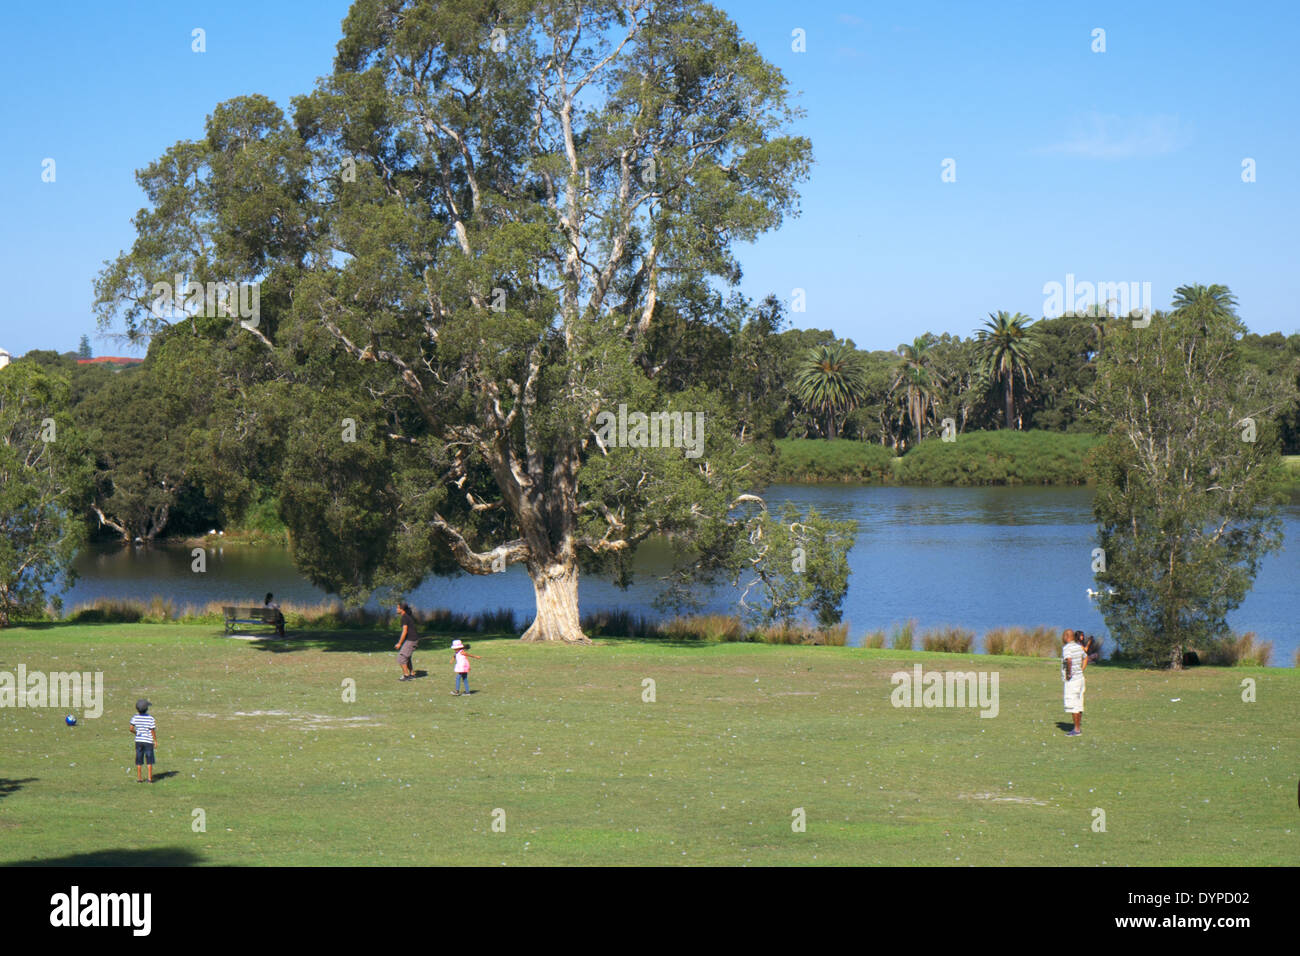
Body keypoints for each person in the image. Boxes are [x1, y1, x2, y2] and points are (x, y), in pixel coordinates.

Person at [1061, 629, 1087, 736]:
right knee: (1079, 703)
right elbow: (1085, 657)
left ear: (1067, 637)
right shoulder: (1078, 647)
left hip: (1073, 680)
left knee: (1073, 704)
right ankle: (1077, 727)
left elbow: (1069, 660)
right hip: (1080, 678)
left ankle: (1076, 730)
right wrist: (1081, 669)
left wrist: (1068, 674)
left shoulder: (1067, 648)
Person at [129, 699, 157, 783]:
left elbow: (131, 729)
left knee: (139, 759)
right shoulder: (150, 718)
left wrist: (136, 733)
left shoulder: (135, 717)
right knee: (149, 760)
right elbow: (152, 730)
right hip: (148, 741)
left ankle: (139, 778)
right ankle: (149, 778)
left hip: (138, 741)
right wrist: (155, 740)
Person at [395, 602, 419, 681]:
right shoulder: (407, 616)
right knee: (407, 657)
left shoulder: (404, 617)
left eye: (398, 608)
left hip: (411, 640)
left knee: (401, 658)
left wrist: (399, 643)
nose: (396, 609)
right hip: (412, 639)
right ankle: (412, 674)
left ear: (402, 610)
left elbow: (404, 631)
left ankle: (406, 675)